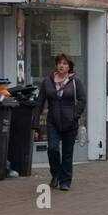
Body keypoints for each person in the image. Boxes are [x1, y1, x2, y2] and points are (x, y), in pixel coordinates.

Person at [34, 53, 85, 192]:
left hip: (70, 123)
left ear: (69, 67)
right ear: (56, 65)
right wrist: (35, 120)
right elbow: (40, 102)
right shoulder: (47, 81)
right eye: (59, 63)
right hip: (53, 122)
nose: (61, 65)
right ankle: (55, 174)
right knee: (53, 149)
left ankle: (65, 181)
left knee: (68, 154)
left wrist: (75, 115)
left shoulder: (76, 81)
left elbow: (82, 100)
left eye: (65, 64)